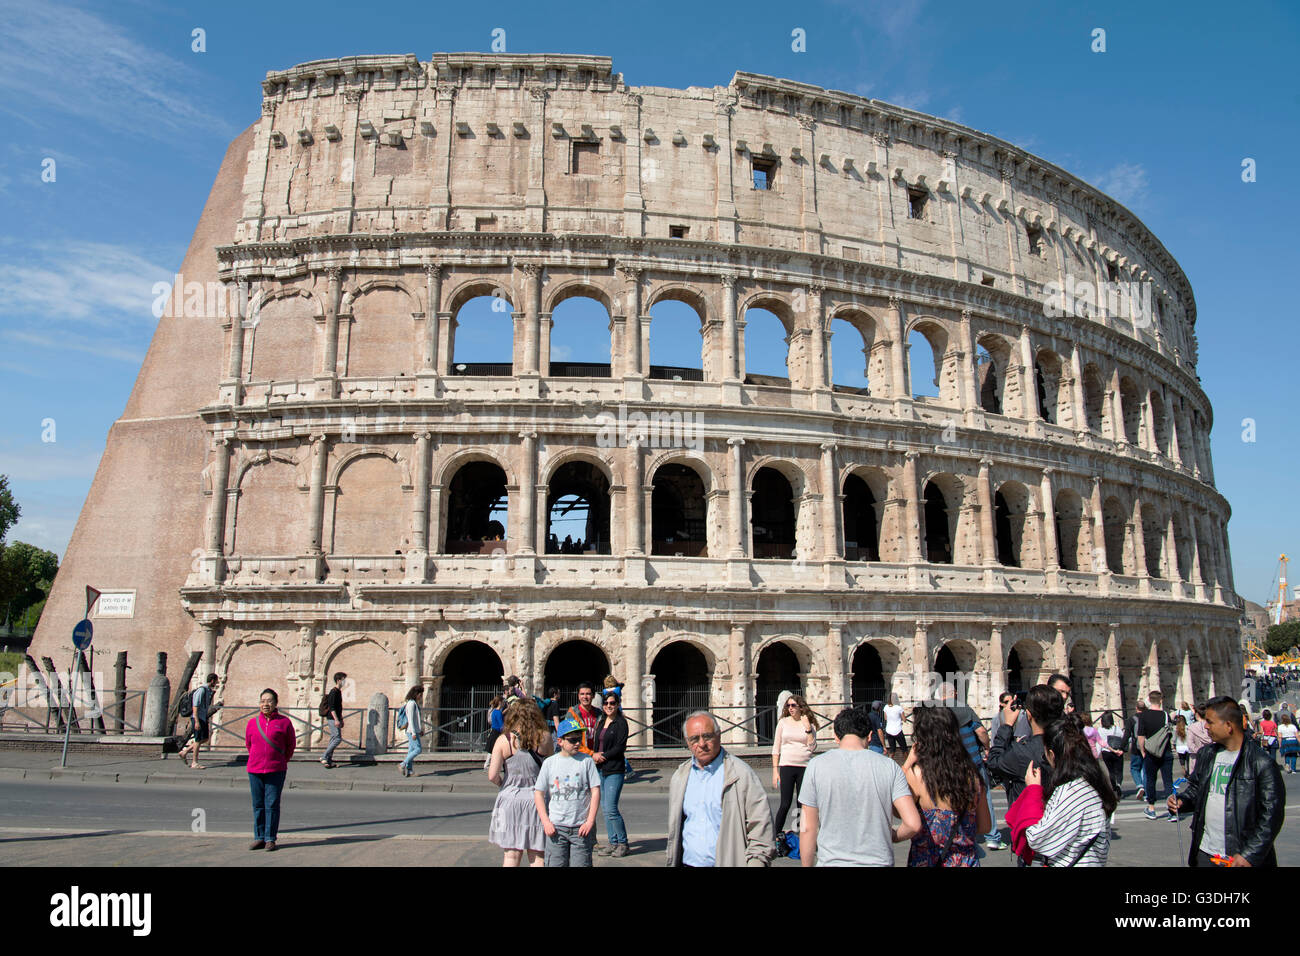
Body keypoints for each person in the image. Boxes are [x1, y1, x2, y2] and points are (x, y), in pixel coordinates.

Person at [1168, 696, 1286, 867]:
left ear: (1228, 726)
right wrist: (1182, 801)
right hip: (1206, 851)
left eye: (1210, 722)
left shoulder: (1261, 763)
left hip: (1240, 855)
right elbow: (1196, 788)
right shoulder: (1207, 754)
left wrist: (1250, 854)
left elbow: (1271, 815)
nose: (1205, 726)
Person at [798, 707, 921, 867]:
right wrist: (894, 836)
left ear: (836, 736)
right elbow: (913, 824)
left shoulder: (816, 766)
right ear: (870, 736)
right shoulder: (889, 767)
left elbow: (808, 828)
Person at [667, 711, 774, 867]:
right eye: (694, 739)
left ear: (719, 735)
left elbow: (761, 828)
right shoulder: (680, 777)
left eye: (707, 736)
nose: (702, 744)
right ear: (687, 742)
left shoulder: (741, 774)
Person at [1007, 717, 1115, 866]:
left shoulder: (1073, 791)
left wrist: (1033, 791)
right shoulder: (1094, 781)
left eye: (1045, 755)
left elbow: (1037, 839)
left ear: (1052, 754)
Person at [903, 706, 991, 867]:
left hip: (926, 859)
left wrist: (908, 763)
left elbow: (899, 810)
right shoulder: (972, 776)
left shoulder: (916, 775)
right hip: (965, 861)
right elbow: (985, 826)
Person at [938, 682, 1003, 851]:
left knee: (955, 798)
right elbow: (981, 731)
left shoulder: (937, 712)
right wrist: (988, 748)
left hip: (950, 762)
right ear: (955, 694)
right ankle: (992, 837)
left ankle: (961, 834)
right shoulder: (964, 709)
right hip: (973, 760)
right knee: (984, 796)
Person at [488, 700, 554, 866]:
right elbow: (552, 770)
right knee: (538, 855)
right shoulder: (545, 737)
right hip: (537, 800)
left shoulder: (504, 740)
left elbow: (492, 775)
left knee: (511, 855)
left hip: (509, 800)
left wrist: (504, 784)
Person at [533, 718, 601, 867]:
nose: (577, 743)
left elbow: (595, 790)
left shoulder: (586, 761)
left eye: (579, 739)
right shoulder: (550, 763)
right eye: (572, 740)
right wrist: (546, 822)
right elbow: (538, 793)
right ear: (560, 741)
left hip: (580, 828)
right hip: (556, 828)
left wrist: (590, 821)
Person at [987, 685, 1064, 807]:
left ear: (1028, 715)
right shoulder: (1070, 743)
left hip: (1032, 817)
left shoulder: (1022, 752)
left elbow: (994, 762)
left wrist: (1007, 725)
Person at [244, 688, 295, 851]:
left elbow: (290, 746)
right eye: (262, 701)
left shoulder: (284, 722)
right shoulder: (252, 723)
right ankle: (259, 837)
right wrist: (257, 758)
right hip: (255, 769)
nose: (265, 704)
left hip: (276, 769)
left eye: (269, 701)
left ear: (275, 703)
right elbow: (248, 745)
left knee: (272, 804)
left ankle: (270, 838)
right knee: (258, 804)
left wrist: (280, 760)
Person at [771, 693, 818, 834]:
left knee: (801, 803)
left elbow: (812, 747)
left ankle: (800, 834)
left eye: (793, 705)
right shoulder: (783, 723)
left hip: (804, 766)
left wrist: (808, 728)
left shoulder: (808, 723)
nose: (790, 708)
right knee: (785, 803)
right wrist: (775, 771)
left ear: (800, 707)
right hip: (786, 765)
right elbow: (776, 747)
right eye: (788, 705)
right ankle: (774, 834)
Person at [592, 691, 630, 856]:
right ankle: (612, 842)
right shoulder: (601, 722)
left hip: (614, 769)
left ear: (617, 704)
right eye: (606, 703)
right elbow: (596, 743)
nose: (609, 706)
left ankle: (623, 843)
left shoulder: (621, 723)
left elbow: (620, 747)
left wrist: (603, 756)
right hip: (601, 769)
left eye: (612, 703)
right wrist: (594, 755)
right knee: (605, 807)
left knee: (611, 808)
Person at [1136, 690, 1175, 821]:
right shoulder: (1165, 715)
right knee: (1168, 781)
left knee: (1150, 780)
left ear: (1149, 700)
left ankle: (1151, 808)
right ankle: (1172, 811)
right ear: (1161, 701)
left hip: (1151, 753)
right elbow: (1169, 734)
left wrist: (1143, 750)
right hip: (1166, 751)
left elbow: (1140, 736)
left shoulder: (1144, 716)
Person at [177, 674, 221, 770]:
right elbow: (195, 706)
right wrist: (196, 721)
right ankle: (194, 762)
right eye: (216, 681)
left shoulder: (207, 690)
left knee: (204, 739)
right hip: (197, 718)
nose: (217, 683)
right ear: (212, 680)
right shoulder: (201, 690)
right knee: (197, 740)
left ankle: (185, 751)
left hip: (202, 718)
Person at [564, 682, 602, 755]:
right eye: (582, 694)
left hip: (596, 754)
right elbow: (569, 738)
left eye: (588, 694)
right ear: (578, 696)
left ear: (593, 696)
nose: (585, 697)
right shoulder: (572, 713)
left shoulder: (599, 714)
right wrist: (590, 753)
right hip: (577, 755)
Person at [1121, 699, 1147, 801]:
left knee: (1134, 767)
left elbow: (1127, 734)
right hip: (1147, 746)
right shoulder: (1148, 718)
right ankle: (1145, 791)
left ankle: (1140, 786)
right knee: (1145, 769)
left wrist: (1121, 747)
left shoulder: (1132, 719)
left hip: (1136, 747)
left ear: (1136, 708)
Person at [320, 671, 346, 769]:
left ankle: (328, 760)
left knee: (333, 738)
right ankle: (324, 756)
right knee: (338, 738)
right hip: (332, 718)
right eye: (344, 680)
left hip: (336, 718)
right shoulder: (333, 692)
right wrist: (336, 720)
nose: (345, 682)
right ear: (338, 680)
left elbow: (339, 708)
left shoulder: (338, 692)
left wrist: (341, 719)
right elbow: (332, 708)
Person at [1097, 711, 1125, 798]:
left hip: (1106, 752)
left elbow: (1100, 741)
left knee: (1111, 771)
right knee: (1119, 771)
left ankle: (1114, 788)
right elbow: (1122, 737)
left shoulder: (1100, 730)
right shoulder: (1117, 728)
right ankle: (1119, 784)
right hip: (1117, 751)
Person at [399, 686, 423, 778]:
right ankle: (402, 764)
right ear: (416, 694)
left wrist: (419, 730)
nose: (421, 696)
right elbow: (410, 720)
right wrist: (413, 733)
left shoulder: (413, 703)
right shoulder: (411, 704)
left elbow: (415, 720)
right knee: (418, 749)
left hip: (414, 730)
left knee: (411, 751)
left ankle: (410, 771)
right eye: (420, 694)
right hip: (411, 731)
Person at [1186, 702, 1212, 774]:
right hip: (1211, 756)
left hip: (1196, 758)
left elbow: (1190, 745)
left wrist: (1199, 752)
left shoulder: (1191, 728)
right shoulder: (1211, 725)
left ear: (1197, 714)